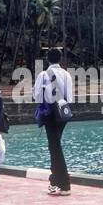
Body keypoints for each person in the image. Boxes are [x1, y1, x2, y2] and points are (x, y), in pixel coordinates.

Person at [33, 48, 73, 196]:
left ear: (47, 59)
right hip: (63, 112)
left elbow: (37, 96)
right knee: (54, 146)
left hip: (49, 113)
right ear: (60, 58)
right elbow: (70, 97)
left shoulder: (43, 75)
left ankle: (64, 184)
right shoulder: (67, 74)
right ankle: (55, 181)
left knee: (55, 147)